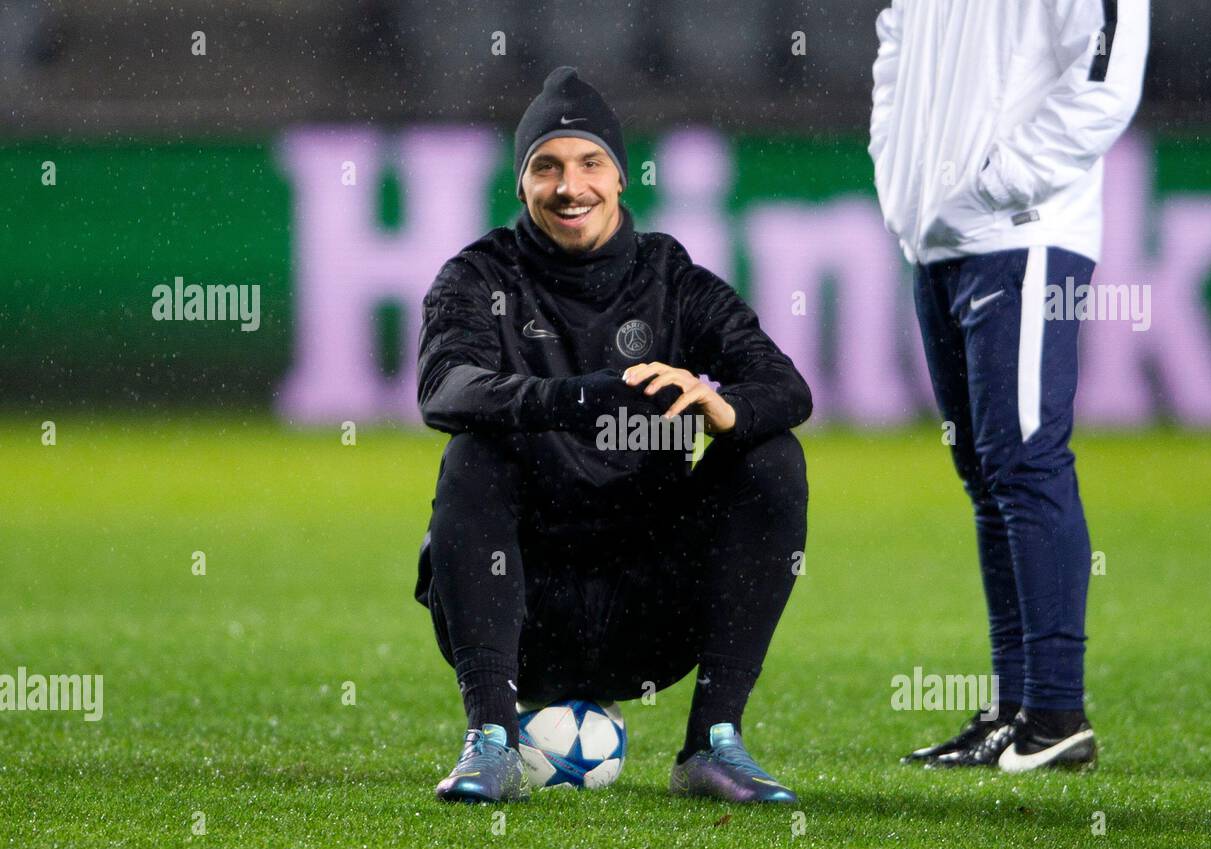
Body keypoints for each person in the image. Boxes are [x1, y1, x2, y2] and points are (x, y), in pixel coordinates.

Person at [414, 66, 813, 803]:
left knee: (771, 454)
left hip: (650, 617)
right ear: (521, 184)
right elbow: (444, 390)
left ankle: (712, 745)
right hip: (522, 612)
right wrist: (578, 399)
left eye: (591, 162)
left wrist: (722, 408)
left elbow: (786, 387)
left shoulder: (671, 278)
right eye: (547, 166)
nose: (571, 187)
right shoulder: (478, 277)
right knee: (473, 446)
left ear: (621, 178)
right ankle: (492, 741)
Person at [870, 1, 1149, 769]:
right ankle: (1017, 705)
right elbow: (896, 43)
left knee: (1025, 461)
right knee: (990, 475)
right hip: (939, 234)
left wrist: (992, 185)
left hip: (1022, 231)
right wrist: (905, 184)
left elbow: (1104, 78)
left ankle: (1056, 711)